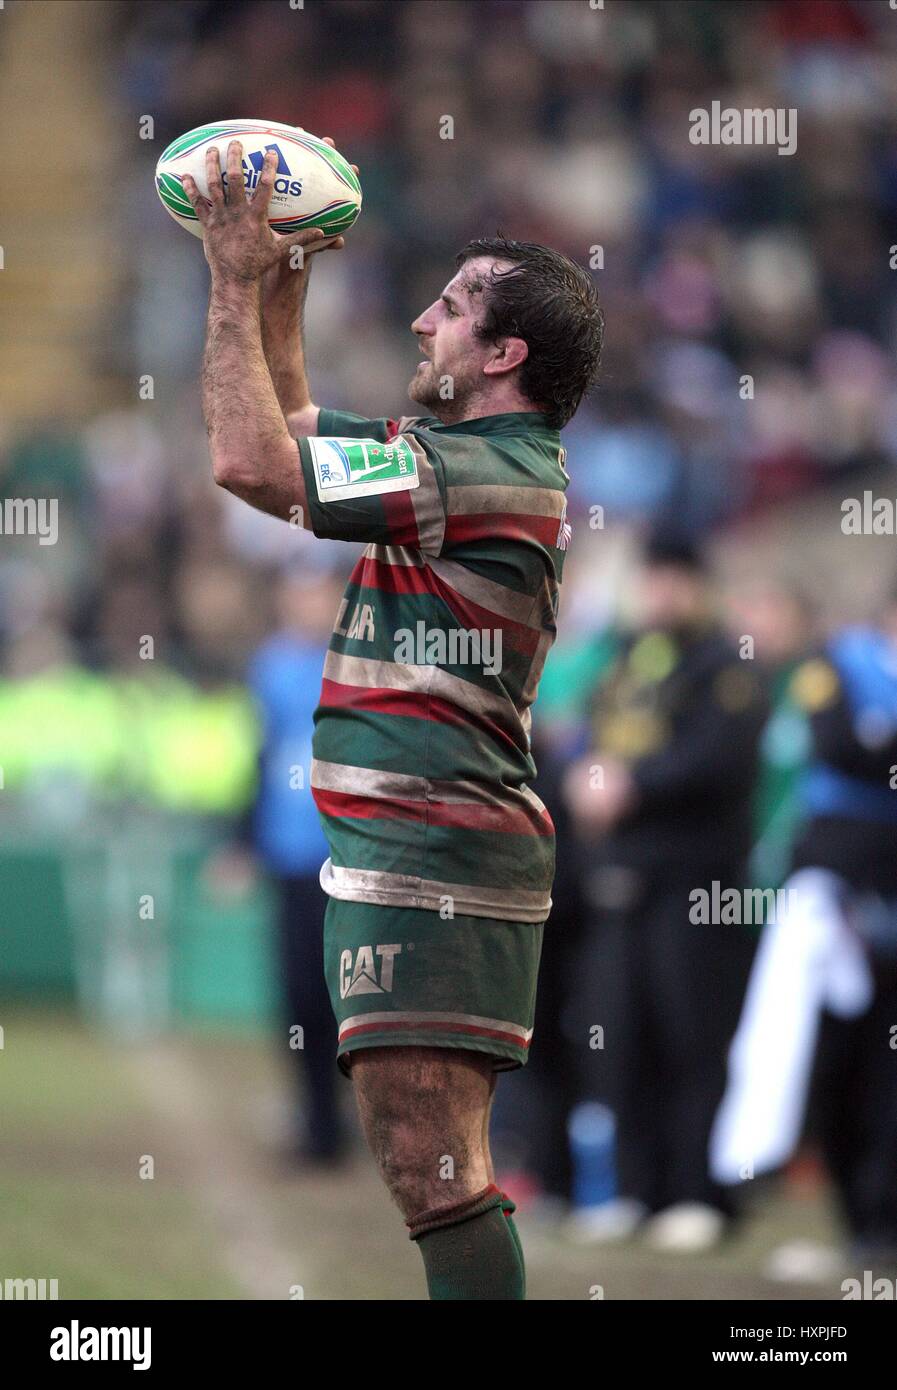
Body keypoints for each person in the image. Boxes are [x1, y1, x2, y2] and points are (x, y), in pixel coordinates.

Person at [180, 140, 603, 1299]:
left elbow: (250, 461)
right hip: (416, 848)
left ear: (504, 355)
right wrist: (291, 273)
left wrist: (225, 280)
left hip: (442, 851)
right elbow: (303, 420)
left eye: (453, 307)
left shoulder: (478, 474)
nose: (423, 321)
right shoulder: (460, 456)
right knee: (427, 1161)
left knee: (435, 1162)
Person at [564, 532, 767, 1251]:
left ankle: (696, 1193)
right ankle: (633, 1189)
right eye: (651, 579)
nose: (660, 594)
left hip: (696, 885)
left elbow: (718, 760)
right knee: (620, 1036)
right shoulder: (625, 659)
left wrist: (631, 785)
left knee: (693, 1036)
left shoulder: (726, 663)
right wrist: (583, 774)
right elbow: (592, 735)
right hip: (621, 880)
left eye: (673, 580)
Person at [246, 563, 348, 1166]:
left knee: (351, 999)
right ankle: (316, 1125)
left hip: (348, 861)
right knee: (299, 1000)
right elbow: (256, 757)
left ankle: (349, 1119)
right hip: (290, 859)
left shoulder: (358, 664)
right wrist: (242, 841)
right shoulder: (270, 667)